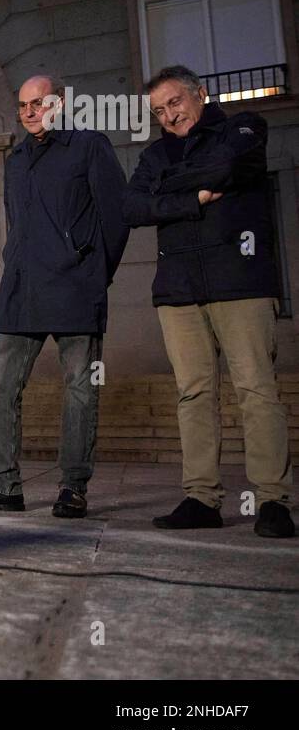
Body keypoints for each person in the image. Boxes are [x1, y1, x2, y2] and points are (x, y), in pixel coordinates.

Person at [122, 65, 292, 538]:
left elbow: (227, 166)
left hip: (241, 282)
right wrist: (193, 197)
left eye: (175, 102)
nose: (169, 116)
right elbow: (131, 207)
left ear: (200, 94)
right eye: (159, 111)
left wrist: (169, 187)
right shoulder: (154, 154)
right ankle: (201, 497)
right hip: (178, 291)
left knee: (256, 389)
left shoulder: (243, 128)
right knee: (193, 394)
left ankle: (273, 501)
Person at [0, 75, 129, 517]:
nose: (30, 111)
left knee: (80, 388)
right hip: (21, 289)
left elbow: (116, 217)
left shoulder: (88, 146)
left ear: (60, 103)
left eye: (38, 102)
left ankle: (73, 486)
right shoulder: (15, 159)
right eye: (23, 105)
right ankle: (5, 485)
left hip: (75, 286)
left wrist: (92, 269)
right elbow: (16, 221)